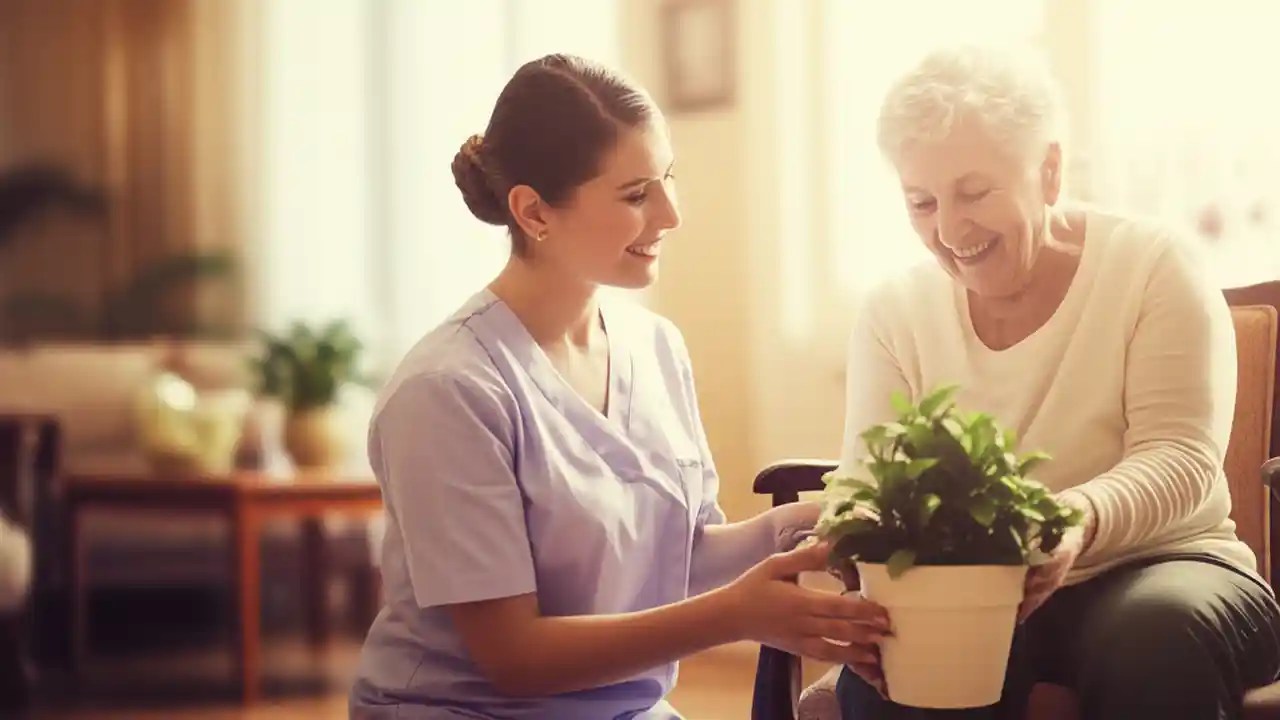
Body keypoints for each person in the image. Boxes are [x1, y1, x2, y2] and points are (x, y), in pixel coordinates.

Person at [348, 54, 887, 720]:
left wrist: (805, 523)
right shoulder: (447, 392)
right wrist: (734, 616)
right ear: (534, 212)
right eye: (636, 194)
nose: (671, 214)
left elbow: (674, 558)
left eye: (667, 179)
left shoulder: (656, 348)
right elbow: (514, 658)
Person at [830, 43, 1280, 719]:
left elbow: (1182, 459)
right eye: (921, 202)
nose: (950, 230)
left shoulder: (1152, 264)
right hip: (980, 590)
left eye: (975, 192)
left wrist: (1069, 522)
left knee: (1150, 640)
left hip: (1171, 569)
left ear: (1048, 170)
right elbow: (867, 478)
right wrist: (856, 549)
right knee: (889, 675)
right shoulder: (896, 312)